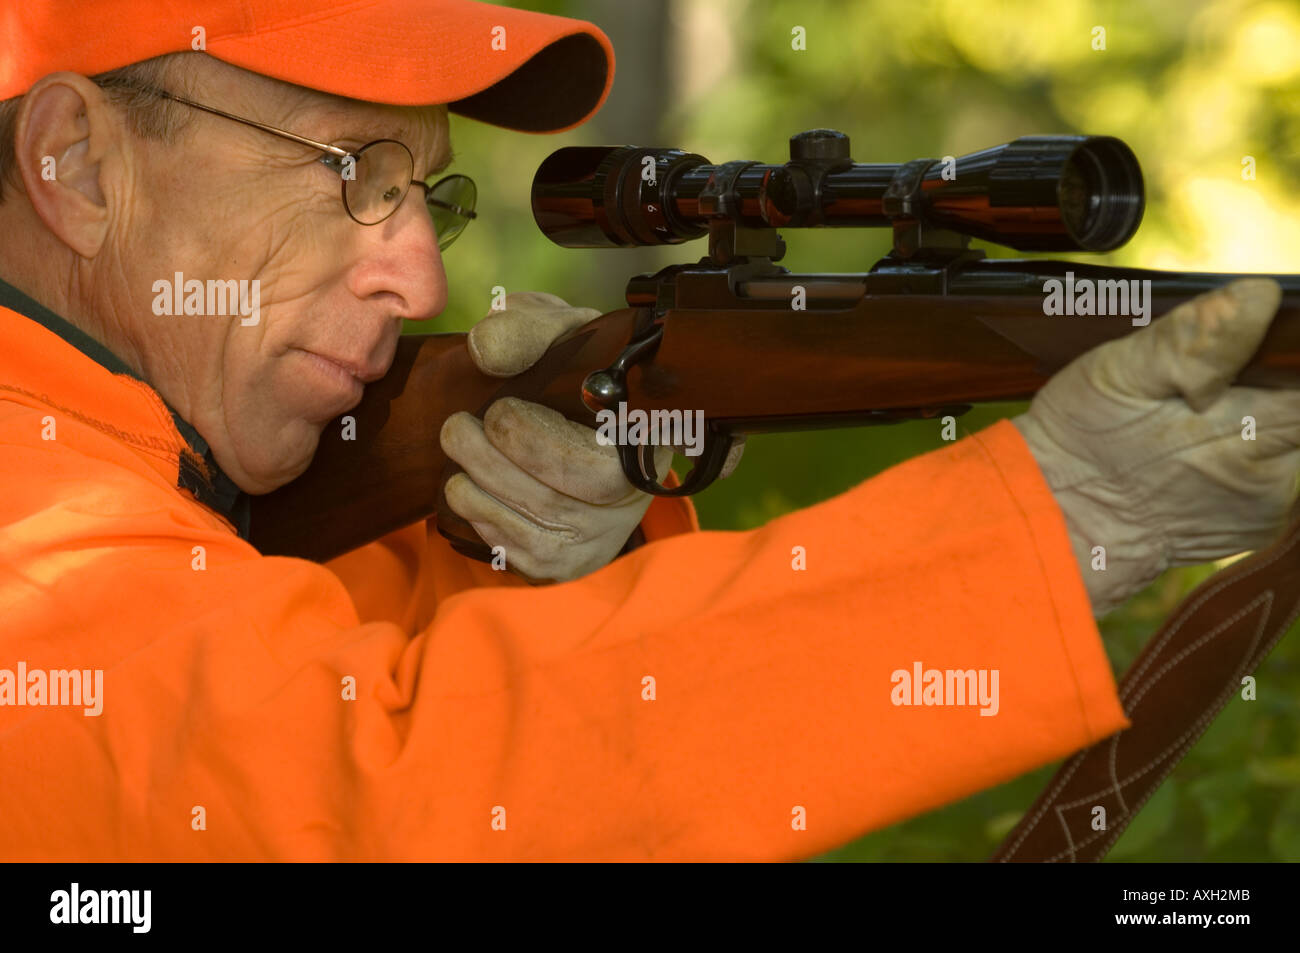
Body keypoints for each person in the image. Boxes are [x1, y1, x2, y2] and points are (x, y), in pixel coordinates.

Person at [0, 0, 1294, 861]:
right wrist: (1061, 525)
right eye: (352, 174)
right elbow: (376, 795)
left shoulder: (184, 493)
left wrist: (527, 545)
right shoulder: (36, 537)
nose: (420, 277)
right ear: (78, 165)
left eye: (427, 194)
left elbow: (345, 701)